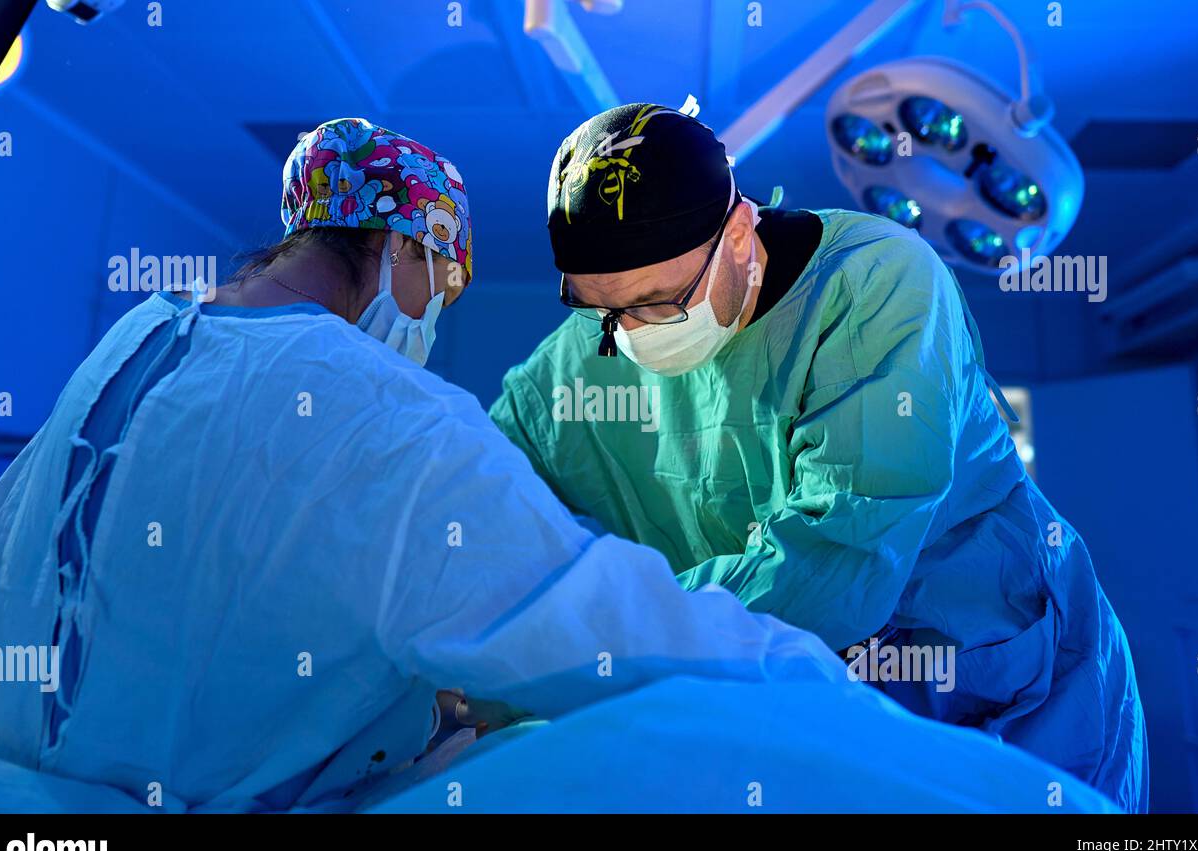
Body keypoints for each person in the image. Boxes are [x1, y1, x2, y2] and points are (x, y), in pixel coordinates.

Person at [0, 118, 845, 811]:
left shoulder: (132, 344)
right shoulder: (370, 402)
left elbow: (78, 571)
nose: (430, 321)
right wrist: (809, 676)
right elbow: (595, 622)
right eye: (442, 289)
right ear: (405, 246)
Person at [488, 103, 1148, 811]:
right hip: (808, 703)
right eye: (599, 309)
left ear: (739, 232)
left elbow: (835, 566)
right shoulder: (592, 347)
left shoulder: (877, 285)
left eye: (658, 303)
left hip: (997, 681)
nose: (629, 336)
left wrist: (591, 639)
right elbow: (470, 490)